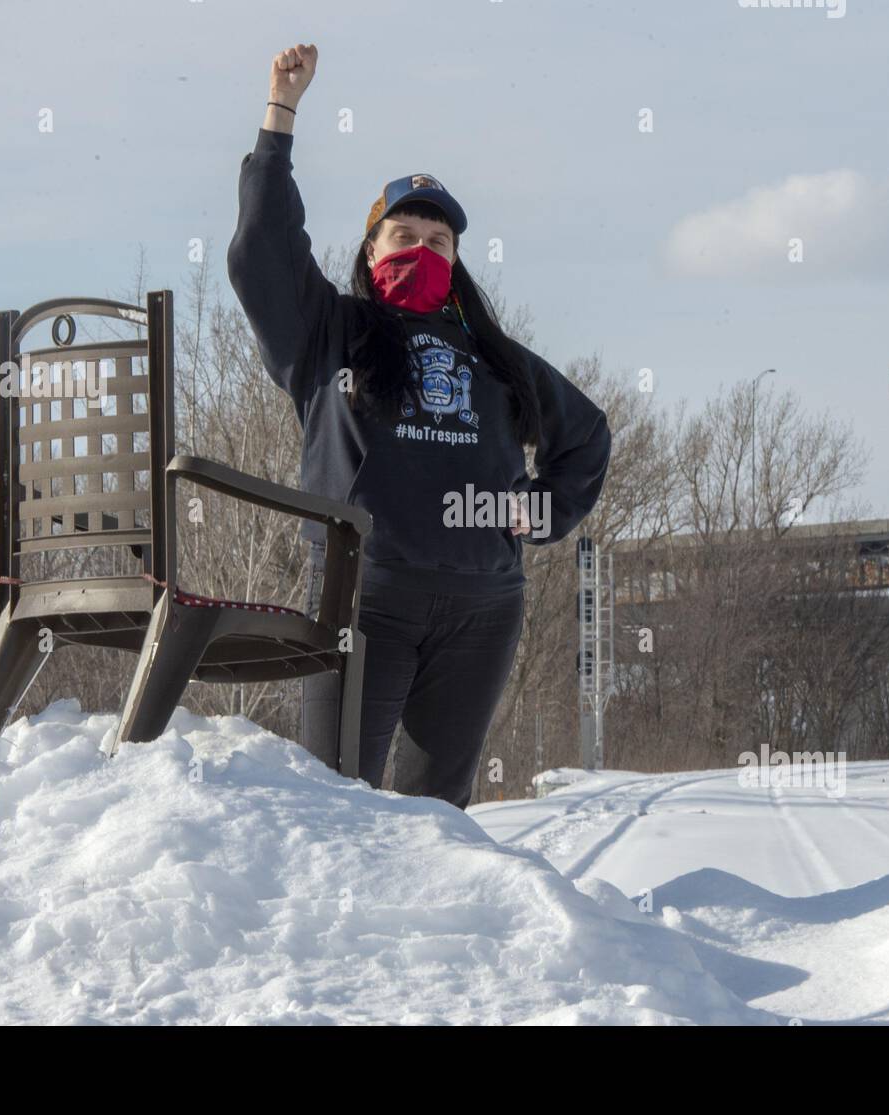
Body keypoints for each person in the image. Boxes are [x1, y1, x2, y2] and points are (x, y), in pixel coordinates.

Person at [227, 43, 612, 808]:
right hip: (364, 597)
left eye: (440, 243)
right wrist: (281, 112)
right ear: (370, 253)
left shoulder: (496, 358)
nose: (423, 250)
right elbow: (261, 251)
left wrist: (531, 514)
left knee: (439, 819)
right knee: (335, 803)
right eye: (404, 236)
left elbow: (587, 437)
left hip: (483, 608)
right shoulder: (326, 332)